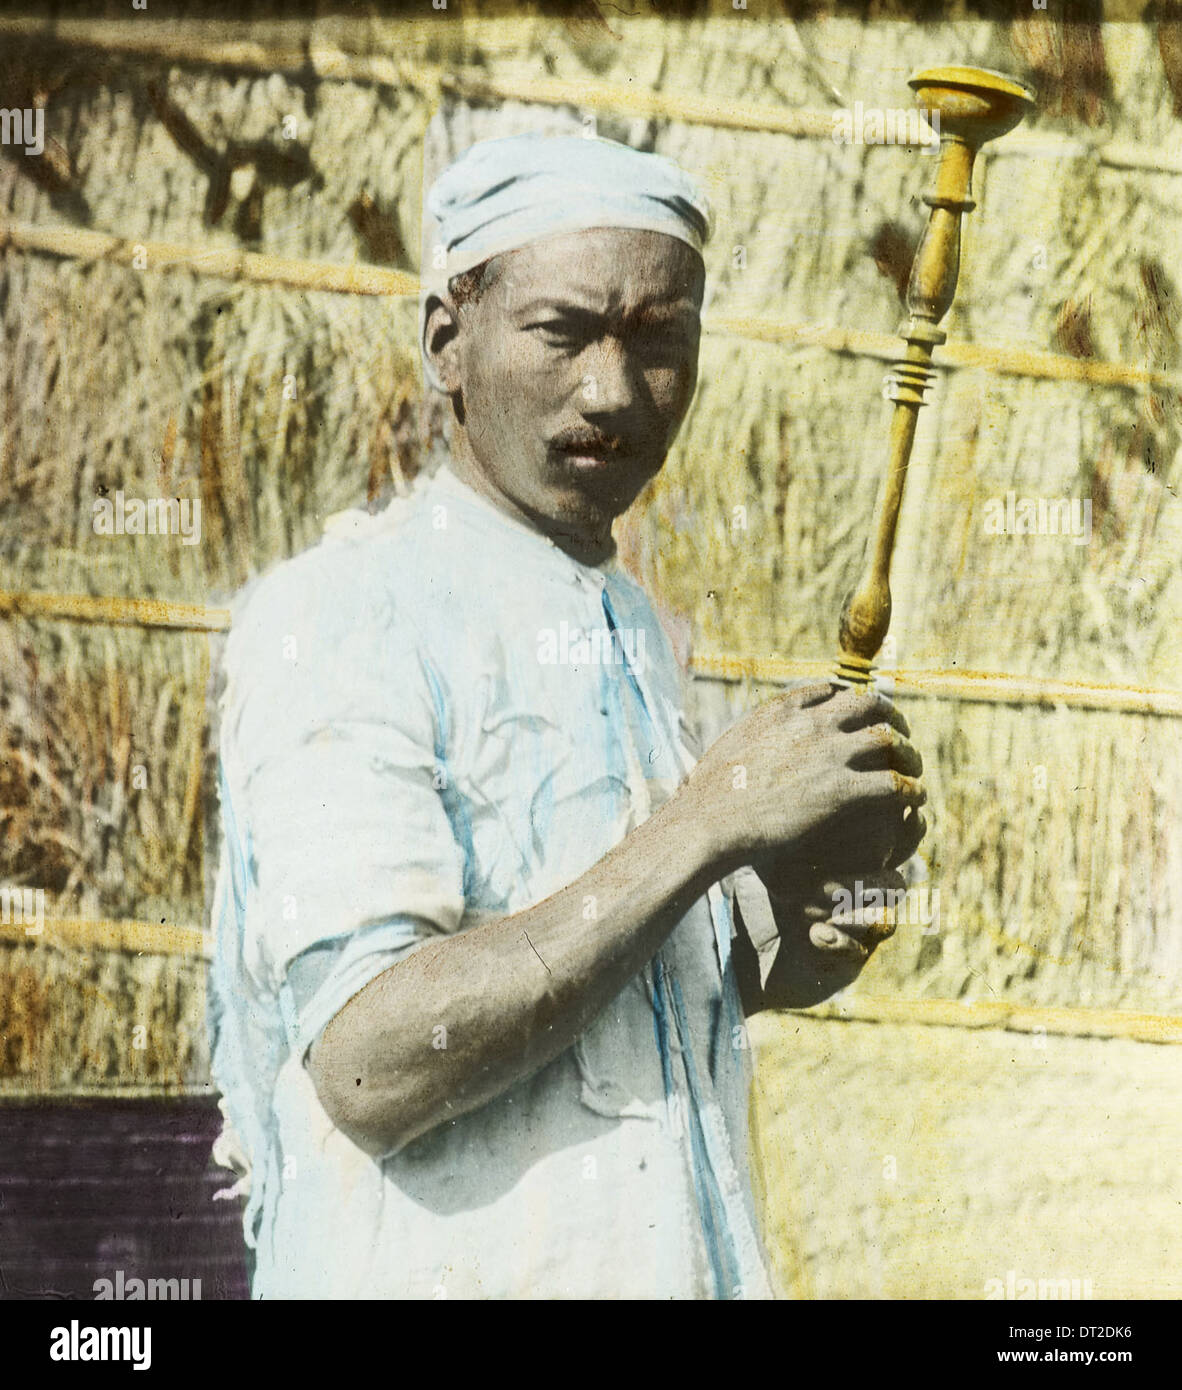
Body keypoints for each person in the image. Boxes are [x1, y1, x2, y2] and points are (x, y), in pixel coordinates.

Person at [208, 131, 927, 1300]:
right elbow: (373, 1062)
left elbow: (645, 978)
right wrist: (711, 820)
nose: (613, 391)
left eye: (661, 341)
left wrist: (812, 915)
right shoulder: (342, 613)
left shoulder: (632, 624)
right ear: (448, 340)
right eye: (563, 331)